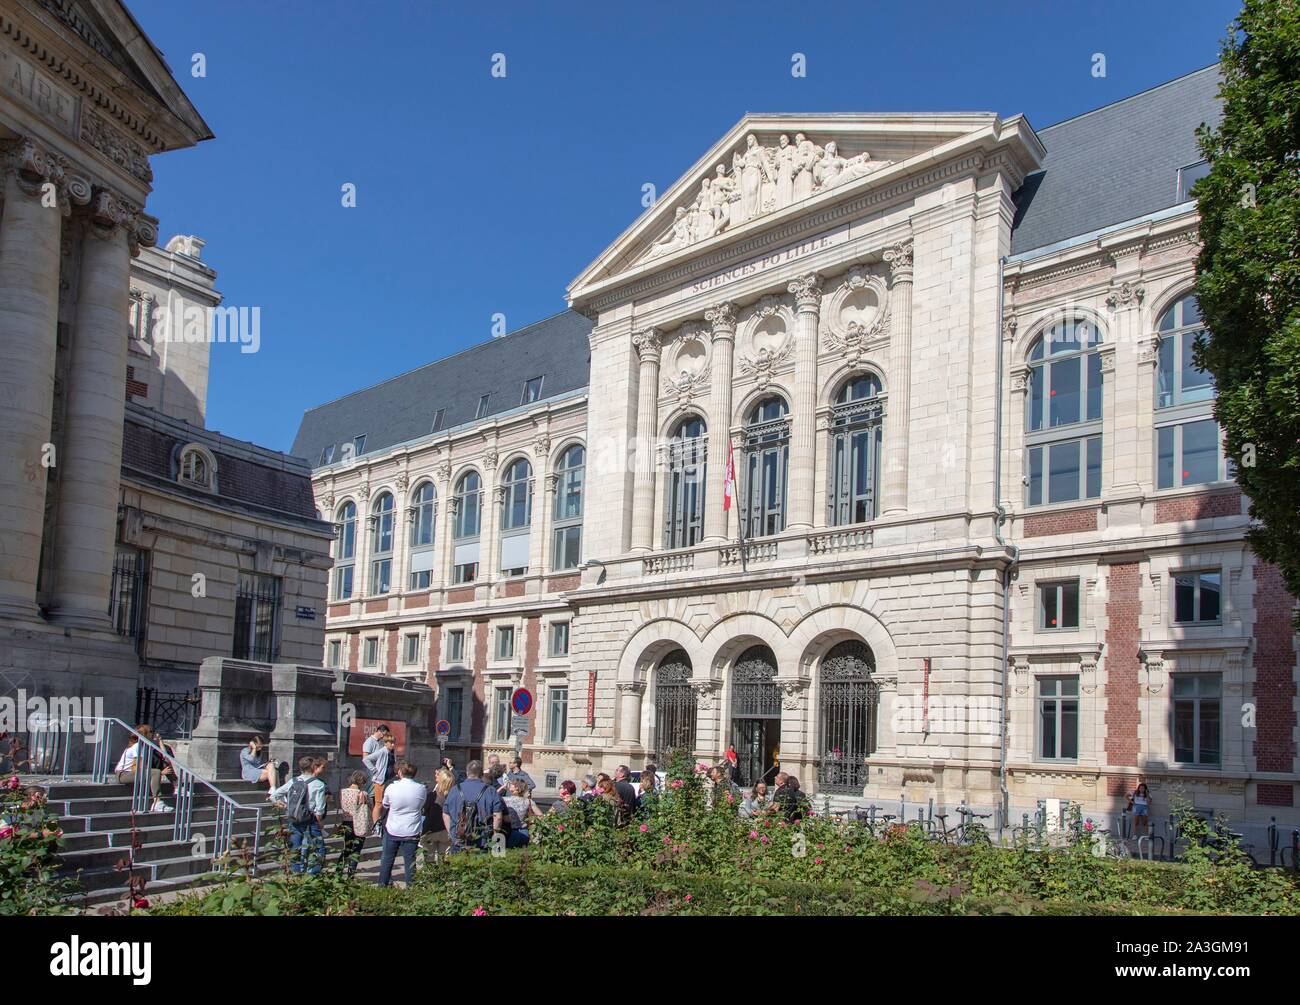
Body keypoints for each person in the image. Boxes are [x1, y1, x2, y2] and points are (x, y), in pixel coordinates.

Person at [272, 756, 329, 875]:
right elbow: (320, 809)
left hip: (294, 818)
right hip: (311, 818)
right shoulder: (319, 784)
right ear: (313, 767)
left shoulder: (293, 781)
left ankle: (295, 873)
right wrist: (320, 823)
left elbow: (275, 794)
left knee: (295, 846)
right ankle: (313, 874)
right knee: (318, 848)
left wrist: (284, 804)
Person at [377, 762, 427, 887]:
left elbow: (385, 804)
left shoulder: (391, 787)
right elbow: (421, 805)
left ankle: (382, 886)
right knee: (410, 862)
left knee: (387, 860)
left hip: (393, 827)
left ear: (400, 773)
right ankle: (411, 890)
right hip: (411, 829)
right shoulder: (421, 788)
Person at [441, 760, 504, 852]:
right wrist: (495, 835)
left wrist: (452, 834)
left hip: (459, 840)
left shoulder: (455, 790)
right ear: (482, 773)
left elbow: (445, 814)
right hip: (483, 841)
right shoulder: (490, 790)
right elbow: (498, 817)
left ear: (467, 773)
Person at [113, 725, 171, 811]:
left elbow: (165, 757)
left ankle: (176, 786)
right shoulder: (137, 746)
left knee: (158, 767)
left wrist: (160, 742)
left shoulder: (144, 746)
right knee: (156, 772)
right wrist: (161, 773)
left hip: (129, 773)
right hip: (123, 775)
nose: (153, 734)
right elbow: (140, 767)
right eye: (151, 731)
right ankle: (157, 803)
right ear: (145, 734)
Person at [338, 770, 372, 875]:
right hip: (359, 822)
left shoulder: (342, 791)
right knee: (356, 849)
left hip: (346, 821)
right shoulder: (363, 794)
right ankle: (351, 873)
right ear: (362, 782)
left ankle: (339, 870)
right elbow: (371, 806)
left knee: (347, 847)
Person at [363, 734, 397, 834]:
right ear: (386, 743)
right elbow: (366, 759)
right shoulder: (382, 751)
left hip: (388, 780)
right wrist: (374, 770)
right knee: (378, 804)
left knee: (385, 804)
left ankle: (381, 822)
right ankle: (375, 825)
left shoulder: (392, 753)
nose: (393, 745)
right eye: (391, 743)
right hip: (380, 781)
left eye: (394, 743)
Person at [419, 766, 454, 865]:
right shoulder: (454, 796)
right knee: (444, 859)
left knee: (429, 859)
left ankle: (431, 877)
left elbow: (424, 810)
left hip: (431, 830)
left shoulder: (433, 795)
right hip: (446, 831)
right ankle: (443, 878)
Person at [502, 778, 541, 848]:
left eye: (511, 784)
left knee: (509, 854)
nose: (509, 784)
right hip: (524, 832)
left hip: (509, 832)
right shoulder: (529, 801)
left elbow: (492, 798)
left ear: (516, 788)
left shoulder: (504, 800)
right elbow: (540, 816)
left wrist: (502, 788)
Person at [241, 735, 279, 800]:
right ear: (253, 744)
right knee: (273, 772)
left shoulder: (259, 752)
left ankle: (273, 789)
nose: (260, 748)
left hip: (258, 770)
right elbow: (251, 759)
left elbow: (257, 764)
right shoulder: (245, 751)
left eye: (261, 746)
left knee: (271, 765)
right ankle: (277, 792)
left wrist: (266, 764)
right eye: (259, 746)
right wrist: (254, 749)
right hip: (248, 772)